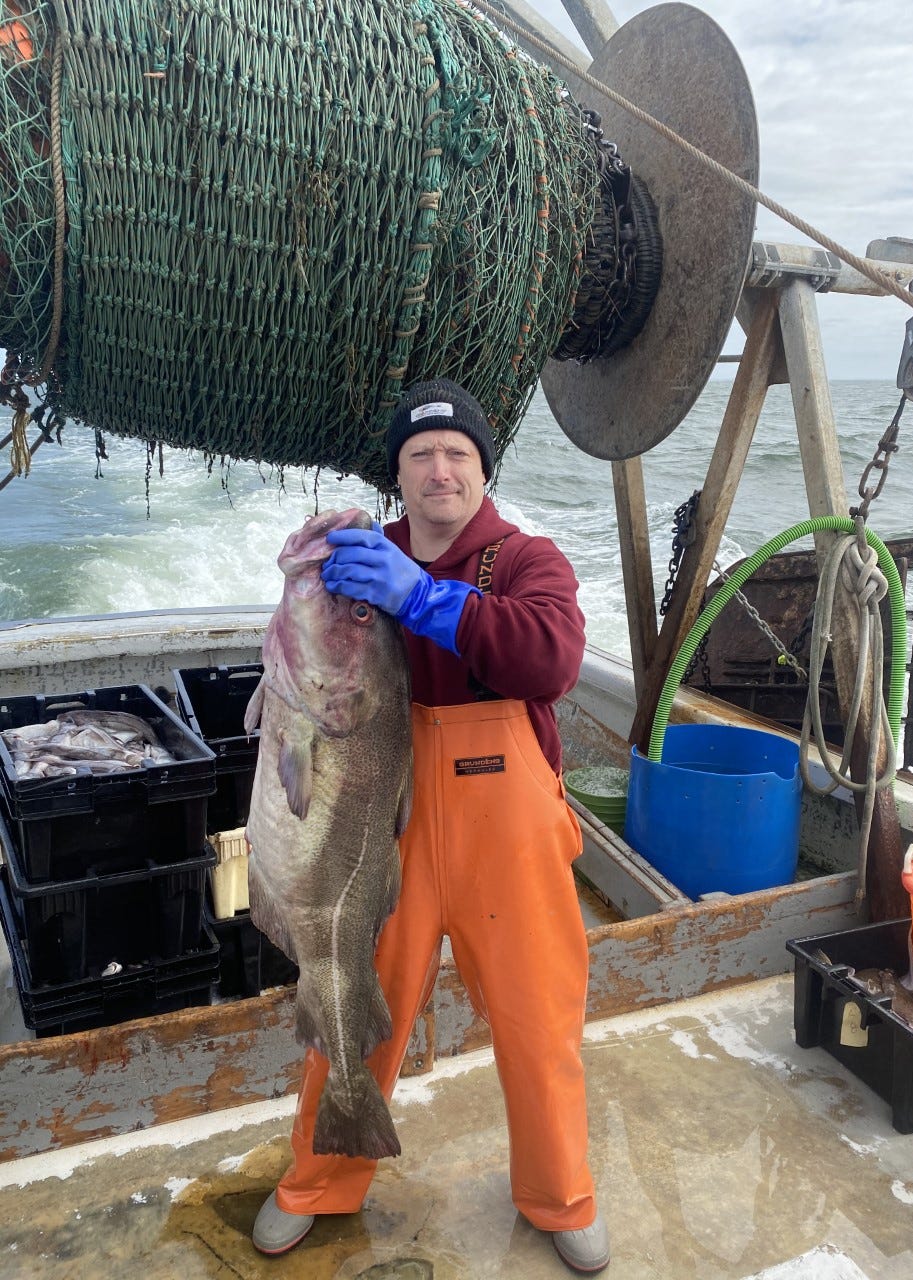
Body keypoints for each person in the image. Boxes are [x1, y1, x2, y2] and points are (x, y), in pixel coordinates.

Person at [252, 377, 609, 1274]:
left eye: (457, 453)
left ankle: (561, 1195)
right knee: (352, 998)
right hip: (387, 826)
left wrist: (426, 602)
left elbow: (553, 658)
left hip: (508, 837)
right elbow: (308, 665)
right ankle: (318, 1183)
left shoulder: (526, 561)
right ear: (400, 474)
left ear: (483, 470)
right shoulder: (358, 568)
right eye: (420, 455)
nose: (440, 470)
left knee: (538, 1022)